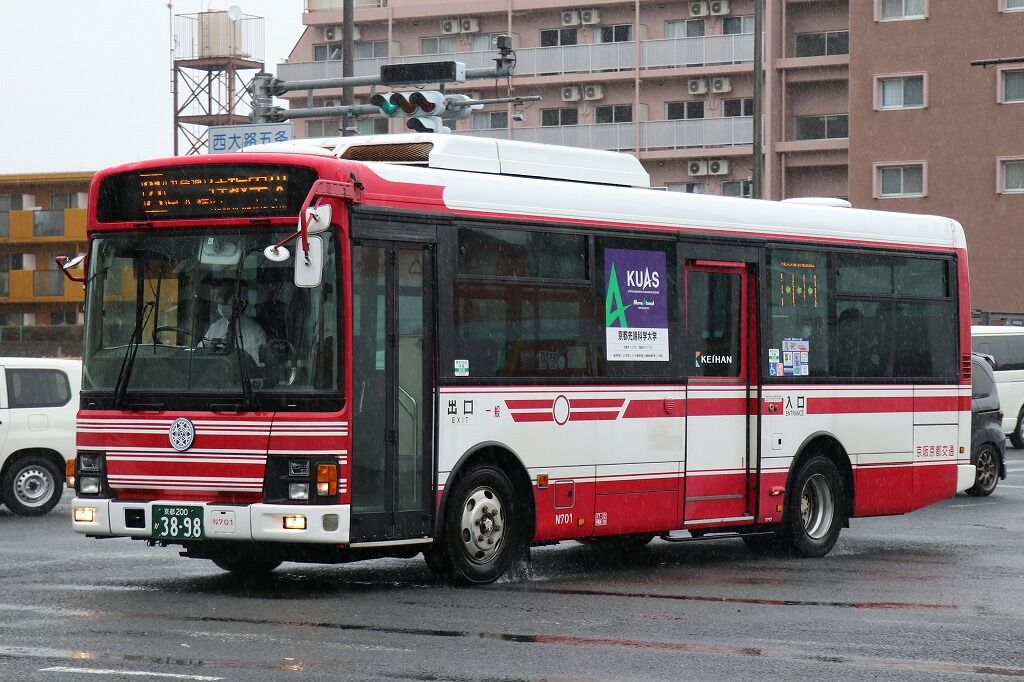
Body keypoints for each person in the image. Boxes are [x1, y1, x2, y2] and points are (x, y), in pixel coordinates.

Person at [202, 285, 268, 363]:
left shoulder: (255, 332)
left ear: (240, 304)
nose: (222, 306)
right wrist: (210, 348)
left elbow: (258, 365)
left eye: (226, 303)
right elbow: (200, 351)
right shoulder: (215, 327)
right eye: (222, 302)